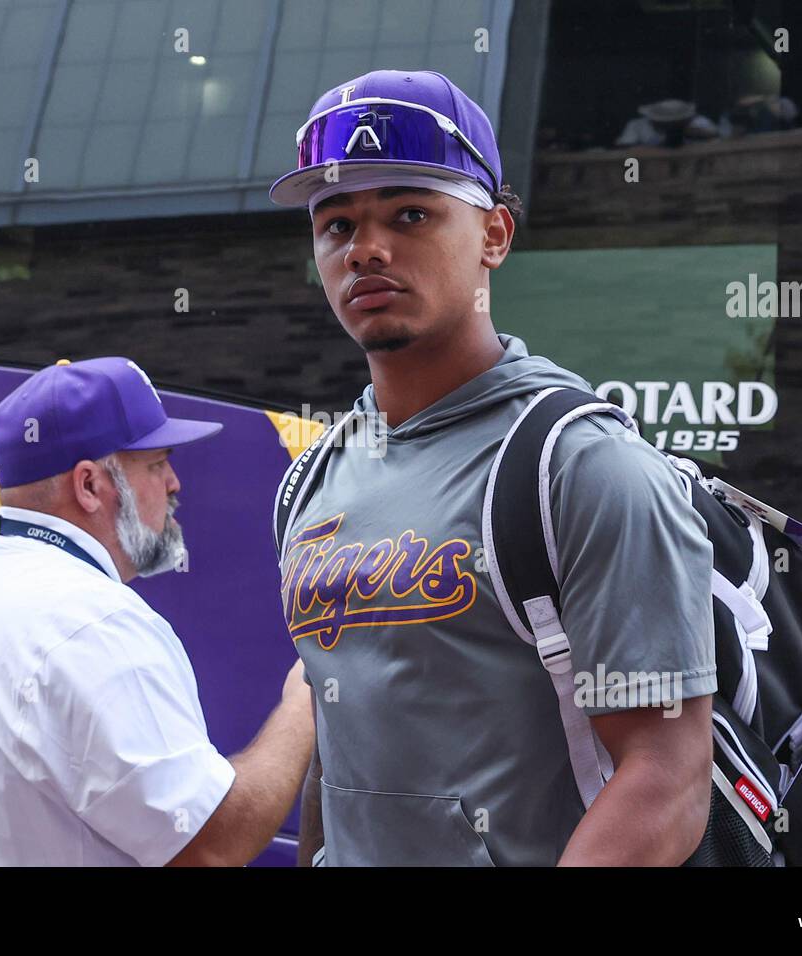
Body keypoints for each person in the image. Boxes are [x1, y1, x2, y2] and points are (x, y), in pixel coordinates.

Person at [268, 70, 715, 866]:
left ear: (496, 236)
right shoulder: (311, 481)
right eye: (337, 225)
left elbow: (668, 781)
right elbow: (338, 755)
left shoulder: (579, 466)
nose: (367, 247)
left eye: (411, 213)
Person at [0, 357, 312, 866]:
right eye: (156, 464)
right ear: (90, 485)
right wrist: (304, 703)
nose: (175, 484)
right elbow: (209, 846)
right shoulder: (93, 621)